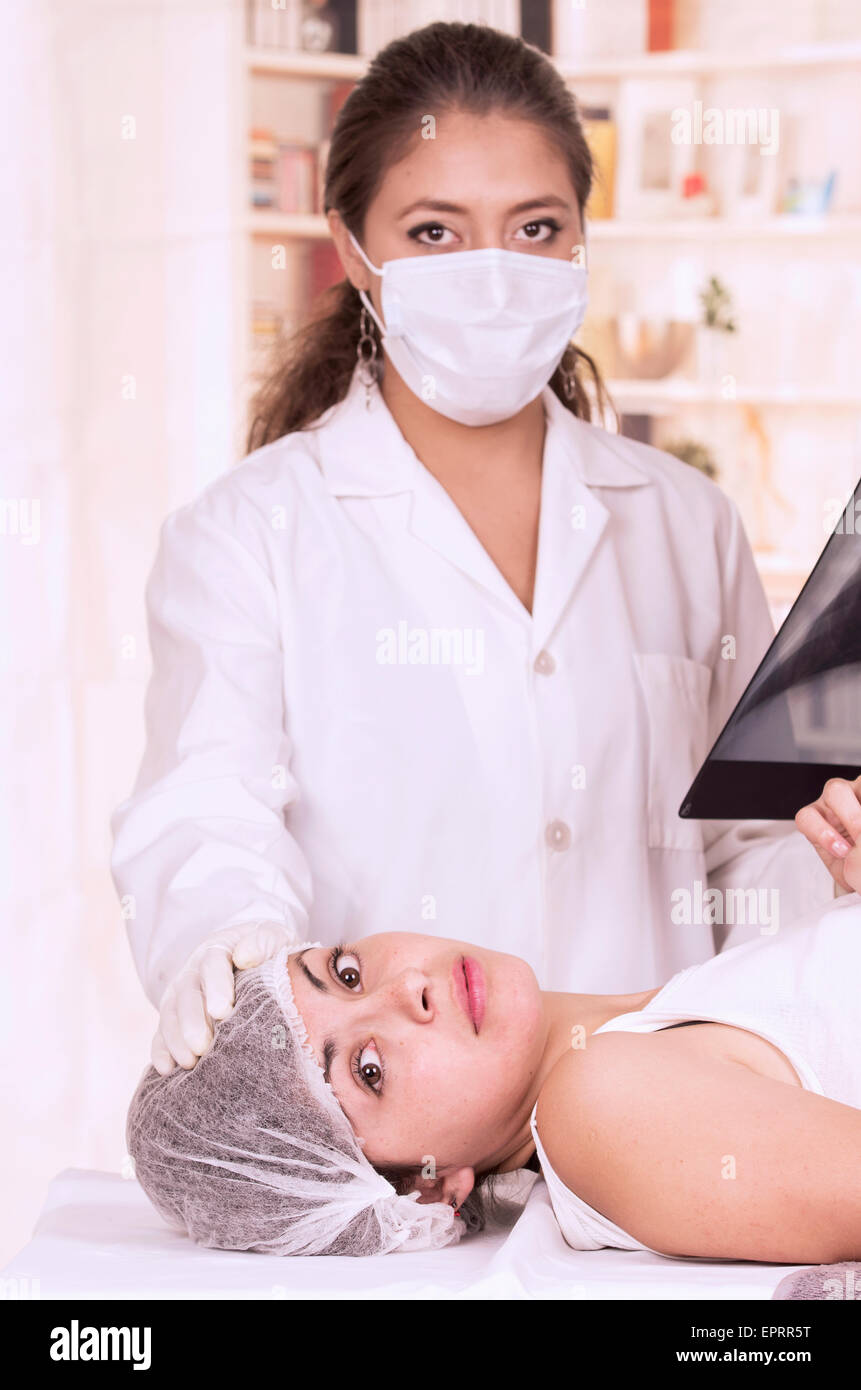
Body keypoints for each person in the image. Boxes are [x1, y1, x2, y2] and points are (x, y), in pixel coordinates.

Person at [110, 20, 854, 1078]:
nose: (494, 275)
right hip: (403, 1139)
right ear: (353, 252)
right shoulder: (246, 534)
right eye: (434, 232)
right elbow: (206, 813)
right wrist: (225, 941)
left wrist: (834, 868)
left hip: (653, 1118)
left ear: (583, 237)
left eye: (536, 227)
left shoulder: (686, 520)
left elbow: (736, 858)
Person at [126, 853, 861, 1264]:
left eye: (346, 973)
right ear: (426, 1191)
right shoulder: (597, 1105)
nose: (406, 990)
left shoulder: (667, 1019)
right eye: (369, 1070)